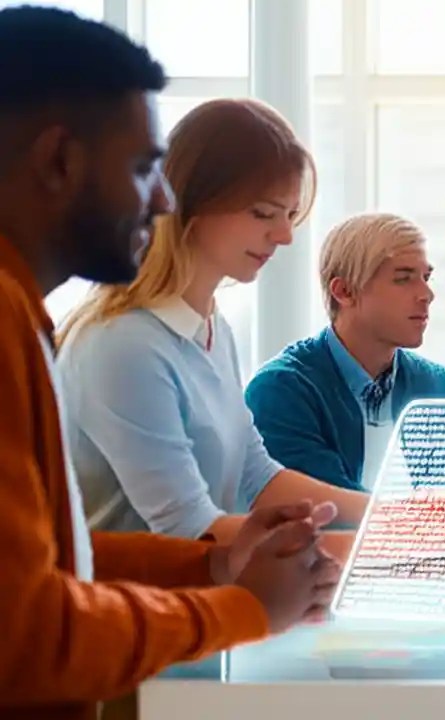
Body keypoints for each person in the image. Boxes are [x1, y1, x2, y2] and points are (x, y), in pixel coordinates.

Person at [0, 8, 340, 719]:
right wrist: (241, 608)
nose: (160, 200)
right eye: (142, 169)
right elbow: (27, 634)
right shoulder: (50, 329)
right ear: (59, 161)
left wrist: (217, 565)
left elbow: (60, 563)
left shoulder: (24, 317)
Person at [56, 98, 445, 560]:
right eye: (264, 214)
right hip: (128, 615)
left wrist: (394, 517)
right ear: (187, 204)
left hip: (194, 610)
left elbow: (257, 476)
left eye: (289, 215)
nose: (284, 235)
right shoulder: (126, 344)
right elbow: (189, 531)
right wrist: (398, 544)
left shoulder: (211, 329)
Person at [246, 212, 445, 491]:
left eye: (426, 277)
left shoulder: (436, 384)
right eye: (403, 278)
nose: (426, 295)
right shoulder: (281, 390)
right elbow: (329, 514)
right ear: (344, 291)